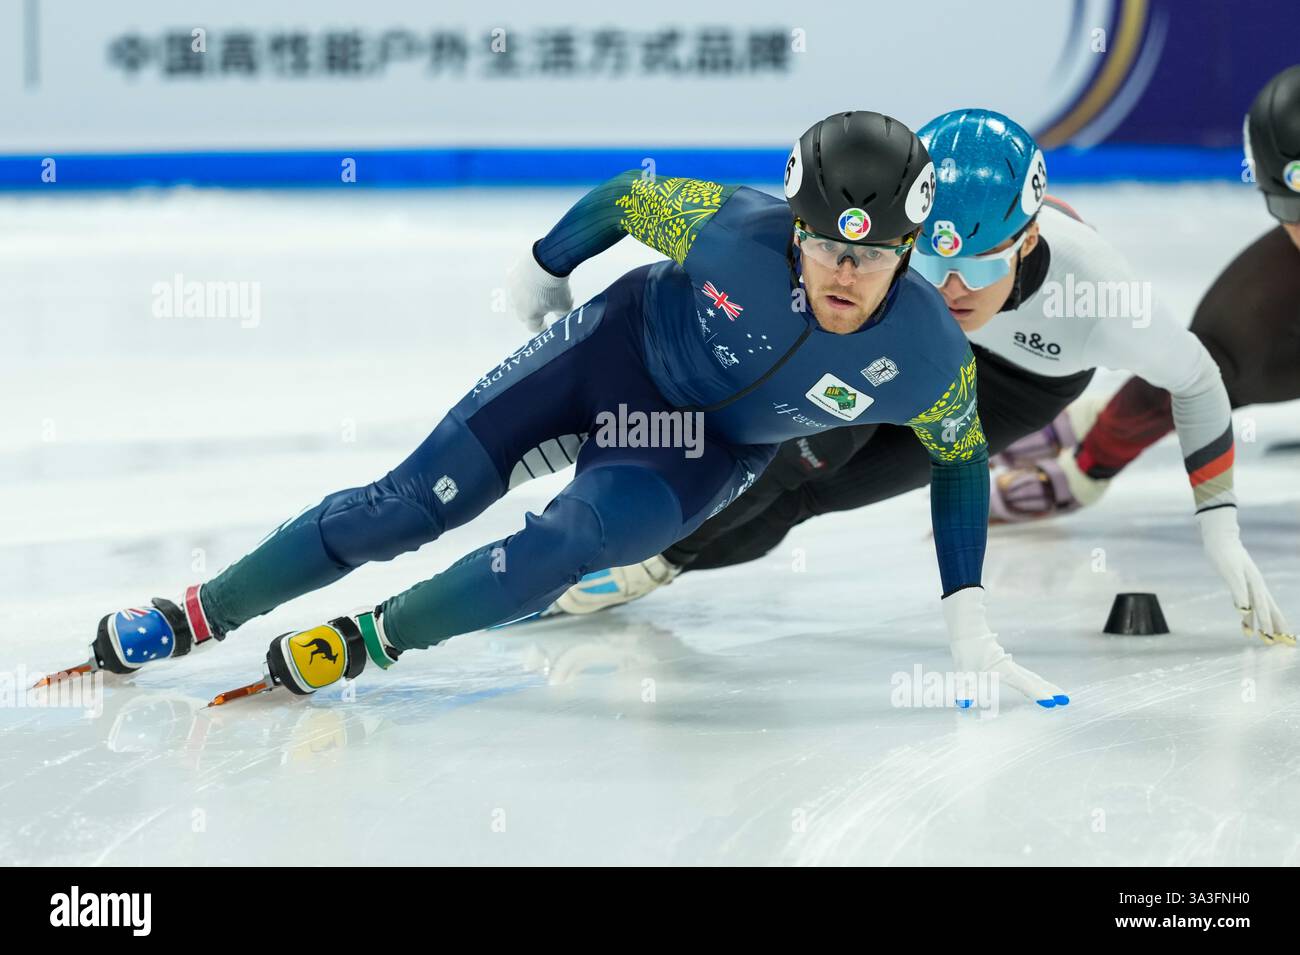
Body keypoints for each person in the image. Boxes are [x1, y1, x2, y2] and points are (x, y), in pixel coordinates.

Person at [51, 111, 1067, 707]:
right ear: (793, 223)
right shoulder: (725, 229)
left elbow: (962, 458)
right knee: (402, 506)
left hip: (696, 450)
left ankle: (374, 638)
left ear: (911, 248)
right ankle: (197, 613)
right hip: (610, 358)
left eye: (875, 254)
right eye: (826, 246)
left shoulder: (930, 353)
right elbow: (626, 195)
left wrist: (967, 612)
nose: (847, 273)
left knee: (566, 540)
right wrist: (543, 268)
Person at [554, 108, 1292, 647]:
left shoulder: (1098, 294)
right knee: (796, 450)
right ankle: (637, 550)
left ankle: (662, 558)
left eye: (977, 265)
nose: (953, 290)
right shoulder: (889, 244)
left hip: (1022, 383)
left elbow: (1198, 382)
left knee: (811, 496)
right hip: (899, 341)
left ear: (1029, 237)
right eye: (931, 262)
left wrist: (1219, 530)